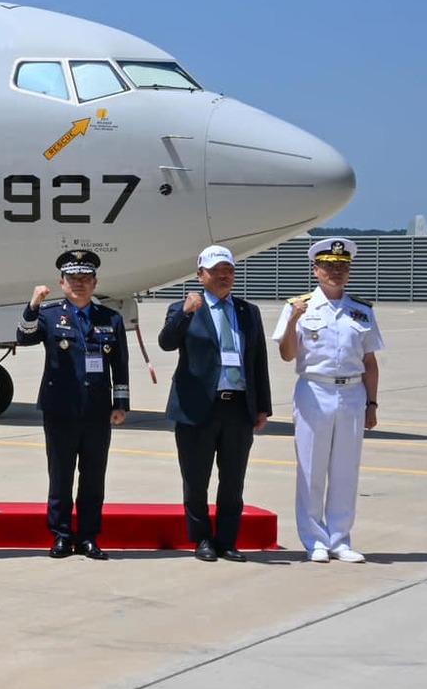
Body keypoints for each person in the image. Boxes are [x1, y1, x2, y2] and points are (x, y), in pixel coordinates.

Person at [158, 245, 273, 563]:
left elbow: (257, 359)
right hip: (197, 408)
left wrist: (262, 406)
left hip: (237, 406)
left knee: (233, 479)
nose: (224, 276)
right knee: (196, 480)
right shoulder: (184, 307)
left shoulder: (248, 311)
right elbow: (167, 343)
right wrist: (185, 313)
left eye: (229, 270)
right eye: (216, 271)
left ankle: (227, 539)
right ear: (200, 275)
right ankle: (202, 539)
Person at [272, 237, 384, 563]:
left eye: (342, 266)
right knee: (311, 467)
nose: (336, 272)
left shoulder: (361, 311)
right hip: (315, 390)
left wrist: (372, 404)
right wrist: (293, 320)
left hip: (352, 392)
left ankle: (340, 539)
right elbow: (287, 354)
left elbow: (370, 363)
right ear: (316, 270)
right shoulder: (299, 307)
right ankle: (314, 540)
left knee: (346, 469)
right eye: (330, 266)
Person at [16, 249, 129, 558]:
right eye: (73, 279)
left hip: (97, 409)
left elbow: (120, 364)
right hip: (60, 408)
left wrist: (121, 403)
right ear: (62, 282)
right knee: (61, 474)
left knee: (94, 476)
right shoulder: (50, 315)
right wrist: (33, 305)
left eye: (85, 278)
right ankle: (62, 534)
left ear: (95, 282)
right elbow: (24, 337)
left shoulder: (110, 318)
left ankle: (89, 536)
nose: (79, 284)